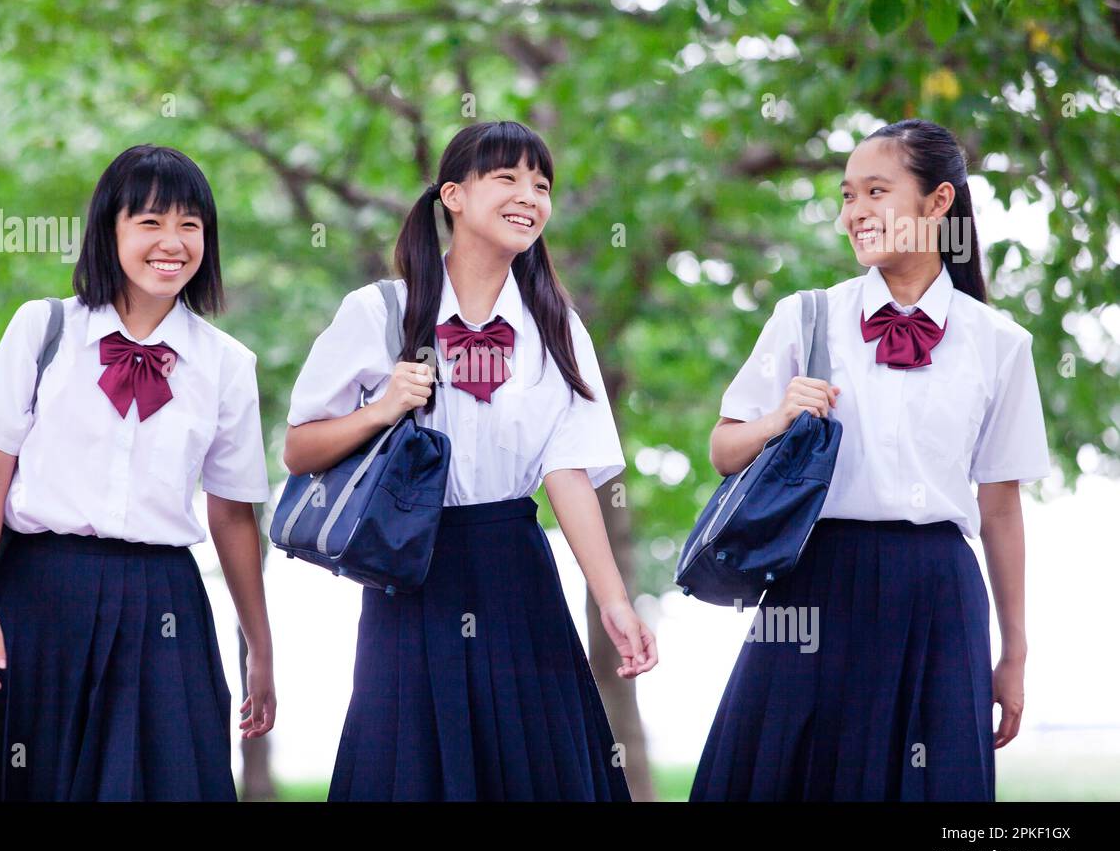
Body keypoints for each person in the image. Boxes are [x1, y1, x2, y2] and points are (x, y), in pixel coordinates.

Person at [285, 120, 658, 801]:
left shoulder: (554, 325)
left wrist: (613, 602)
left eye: (541, 185)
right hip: (410, 571)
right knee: (410, 764)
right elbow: (299, 445)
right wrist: (380, 408)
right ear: (453, 195)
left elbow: (567, 471)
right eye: (508, 178)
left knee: (534, 764)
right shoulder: (381, 311)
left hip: (517, 571)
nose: (530, 197)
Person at [690, 119, 1050, 801]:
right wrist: (778, 419)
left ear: (938, 203)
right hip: (817, 583)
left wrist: (1015, 654)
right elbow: (722, 450)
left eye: (875, 192)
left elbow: (1000, 510)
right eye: (848, 196)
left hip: (938, 596)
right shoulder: (808, 317)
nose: (854, 213)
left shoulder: (999, 343)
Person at [0, 144, 275, 801]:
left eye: (190, 224)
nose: (172, 242)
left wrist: (261, 651)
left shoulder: (227, 364)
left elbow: (232, 514)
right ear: (109, 231)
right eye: (150, 222)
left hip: (163, 606)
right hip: (39, 597)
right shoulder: (44, 329)